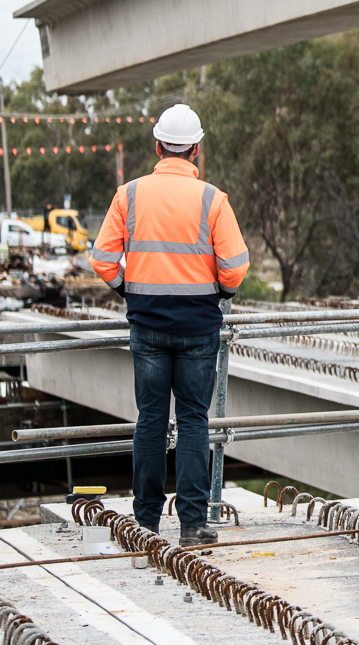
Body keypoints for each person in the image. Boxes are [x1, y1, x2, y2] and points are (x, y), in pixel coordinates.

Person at [89, 104, 249, 546]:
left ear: (158, 146)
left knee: (151, 421)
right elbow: (235, 269)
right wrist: (217, 295)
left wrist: (131, 290)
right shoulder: (213, 200)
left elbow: (102, 259)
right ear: (196, 150)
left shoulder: (130, 194)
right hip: (198, 328)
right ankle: (194, 525)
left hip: (148, 326)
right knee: (194, 421)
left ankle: (146, 525)